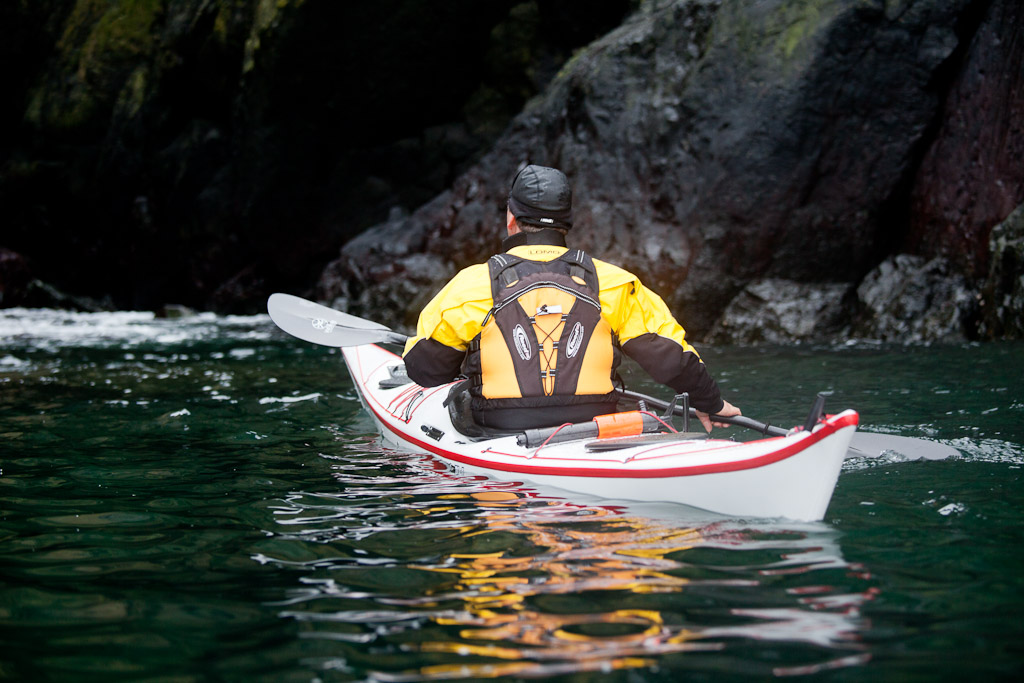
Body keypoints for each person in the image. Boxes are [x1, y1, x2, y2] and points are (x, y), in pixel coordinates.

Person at [402, 164, 741, 432]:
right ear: (567, 223)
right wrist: (710, 402)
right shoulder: (613, 281)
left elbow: (425, 369)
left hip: (500, 430)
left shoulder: (472, 285)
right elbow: (670, 357)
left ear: (511, 219)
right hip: (594, 426)